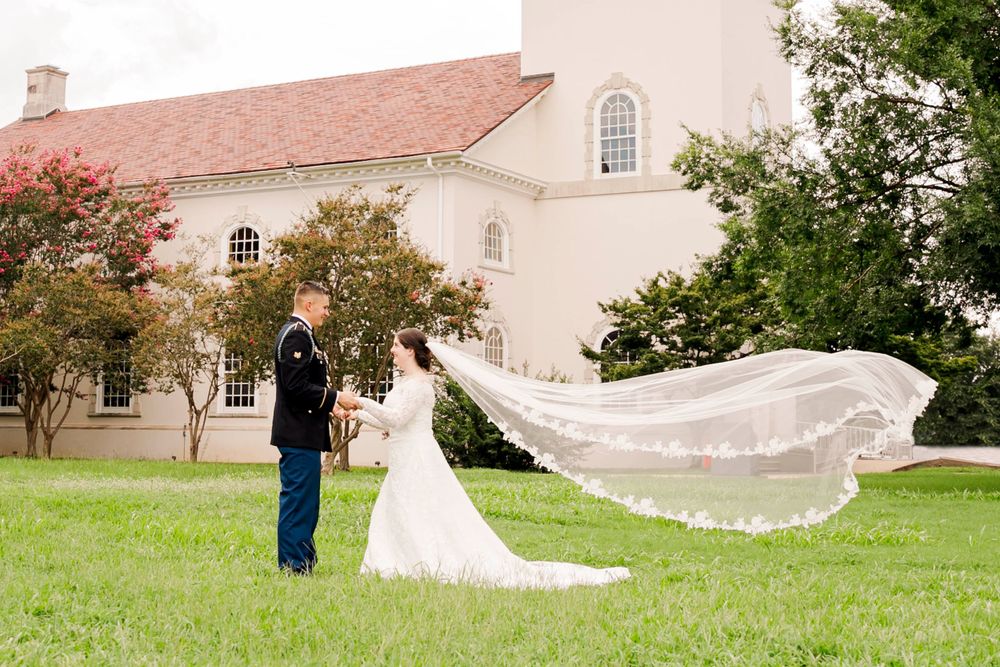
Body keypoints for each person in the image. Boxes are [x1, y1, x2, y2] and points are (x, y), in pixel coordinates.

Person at [347, 328, 630, 589]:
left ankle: (423, 560)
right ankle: (400, 561)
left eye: (396, 345)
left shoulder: (421, 386)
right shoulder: (404, 384)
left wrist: (360, 401)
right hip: (403, 458)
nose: (392, 350)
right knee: (401, 507)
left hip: (418, 457)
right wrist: (354, 413)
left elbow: (396, 418)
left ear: (410, 350)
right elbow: (389, 423)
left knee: (423, 509)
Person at [271, 281, 359, 575]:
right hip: (297, 434)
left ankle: (303, 561)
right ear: (309, 305)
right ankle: (294, 566)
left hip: (304, 431)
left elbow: (307, 386)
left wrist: (330, 407)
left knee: (307, 503)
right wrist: (336, 396)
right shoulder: (297, 336)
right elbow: (295, 387)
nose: (327, 313)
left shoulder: (305, 335)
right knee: (298, 502)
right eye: (325, 307)